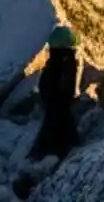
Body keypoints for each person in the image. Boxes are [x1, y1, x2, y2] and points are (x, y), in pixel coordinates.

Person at [29, 25, 82, 161]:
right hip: (59, 106)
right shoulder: (66, 63)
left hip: (54, 105)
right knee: (60, 126)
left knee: (53, 127)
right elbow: (66, 88)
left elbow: (49, 86)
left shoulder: (56, 63)